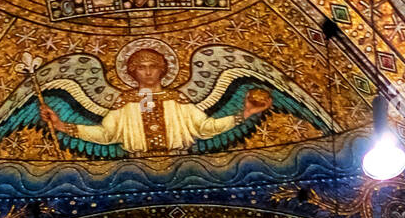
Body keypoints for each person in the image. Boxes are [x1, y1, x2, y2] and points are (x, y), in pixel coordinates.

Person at [40, 47, 270, 157]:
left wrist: (245, 113)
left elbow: (205, 128)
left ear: (163, 70)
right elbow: (106, 135)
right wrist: (61, 126)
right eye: (142, 67)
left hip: (182, 161)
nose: (148, 72)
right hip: (136, 163)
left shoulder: (177, 99)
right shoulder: (126, 102)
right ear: (132, 72)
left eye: (153, 67)